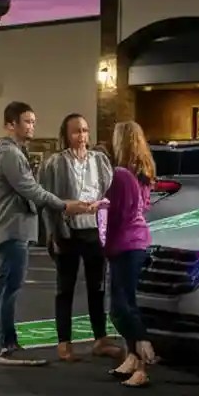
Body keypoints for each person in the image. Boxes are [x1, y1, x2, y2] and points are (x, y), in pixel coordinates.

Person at [0, 101, 94, 366]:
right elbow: (30, 190)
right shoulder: (9, 153)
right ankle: (6, 346)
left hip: (14, 227)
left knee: (5, 285)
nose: (32, 126)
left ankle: (2, 341)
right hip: (12, 228)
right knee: (10, 287)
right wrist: (64, 205)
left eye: (33, 121)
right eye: (26, 121)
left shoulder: (15, 151)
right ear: (10, 124)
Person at [38, 113, 123, 362]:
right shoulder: (54, 163)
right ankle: (64, 342)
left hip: (94, 231)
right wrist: (52, 232)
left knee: (97, 287)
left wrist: (102, 206)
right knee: (65, 288)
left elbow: (110, 193)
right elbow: (45, 200)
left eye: (85, 131)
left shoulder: (100, 160)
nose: (82, 136)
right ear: (65, 135)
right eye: (76, 131)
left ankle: (101, 339)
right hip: (68, 232)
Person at [102, 120, 157, 387]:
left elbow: (116, 214)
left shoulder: (121, 175)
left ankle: (143, 354)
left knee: (123, 306)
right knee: (121, 305)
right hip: (137, 241)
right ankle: (132, 358)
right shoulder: (143, 171)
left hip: (125, 243)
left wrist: (102, 239)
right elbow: (142, 207)